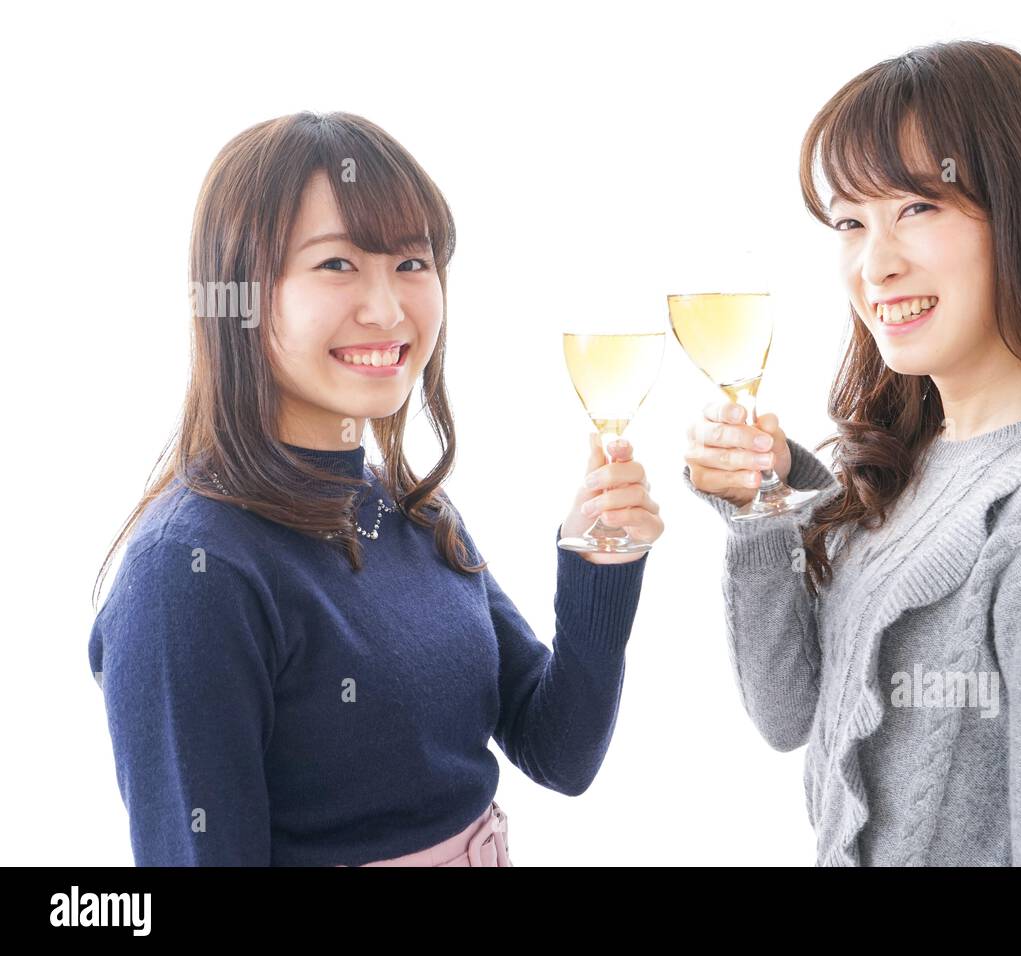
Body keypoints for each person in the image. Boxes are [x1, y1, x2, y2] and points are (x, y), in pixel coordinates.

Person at [682, 40, 1021, 866]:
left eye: (919, 209)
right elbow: (790, 711)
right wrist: (766, 506)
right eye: (851, 222)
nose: (876, 265)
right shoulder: (925, 456)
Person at [89, 111, 662, 866]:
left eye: (412, 263)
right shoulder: (190, 572)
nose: (388, 310)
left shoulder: (407, 507)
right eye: (336, 265)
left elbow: (560, 750)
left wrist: (601, 559)